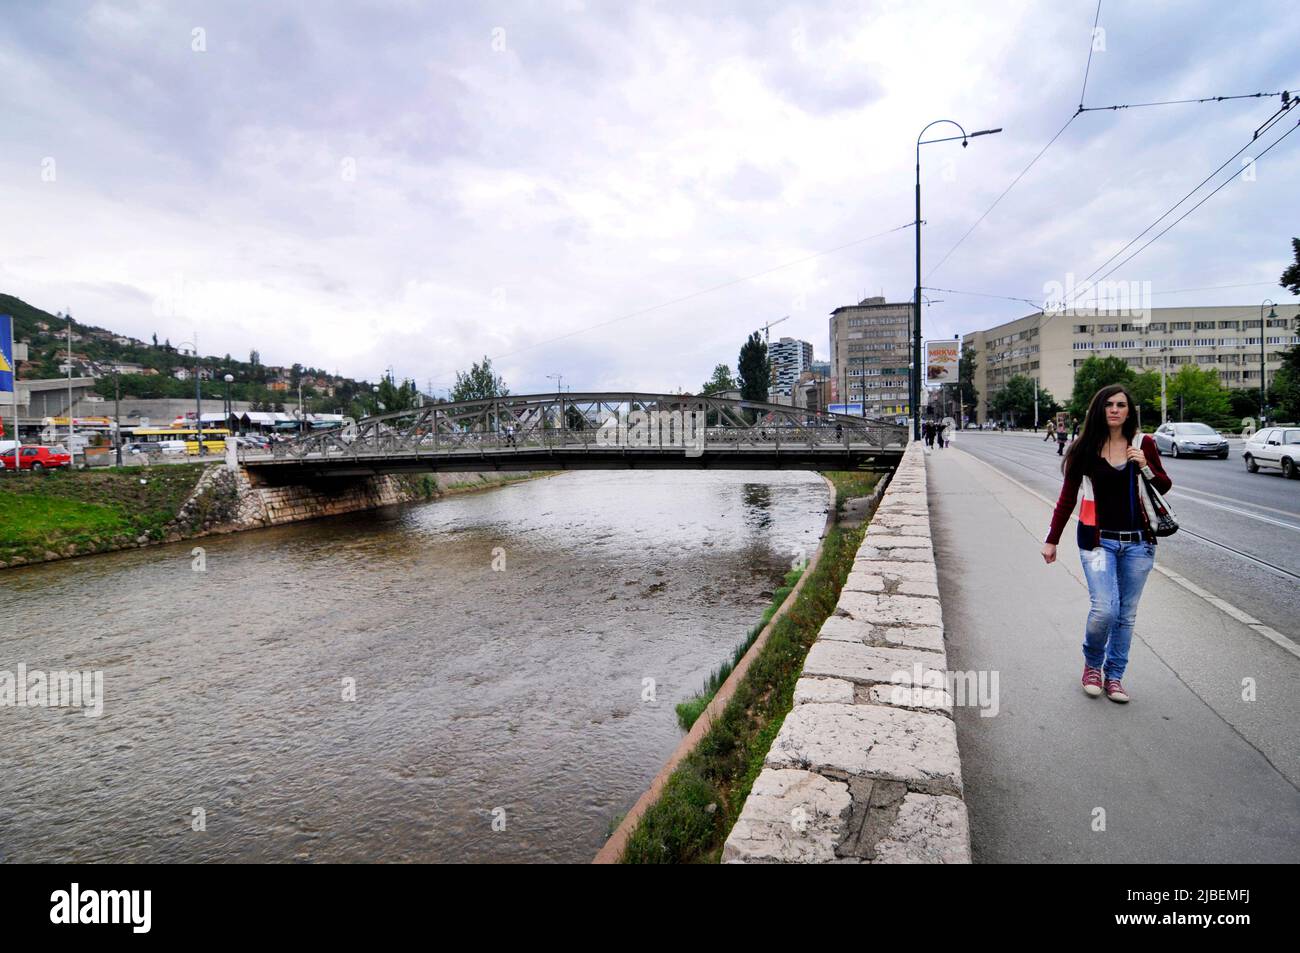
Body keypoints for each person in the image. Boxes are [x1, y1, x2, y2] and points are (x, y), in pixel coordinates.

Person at [1040, 384, 1172, 703]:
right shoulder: (1084, 448)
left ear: (1129, 411)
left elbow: (1164, 486)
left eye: (1121, 405)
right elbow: (1067, 498)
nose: (1114, 409)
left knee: (1126, 614)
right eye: (1108, 404)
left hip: (1140, 544)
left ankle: (1115, 676)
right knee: (1104, 610)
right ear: (1099, 410)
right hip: (1098, 543)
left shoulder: (1145, 444)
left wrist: (1145, 465)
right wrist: (1052, 539)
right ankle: (1092, 666)